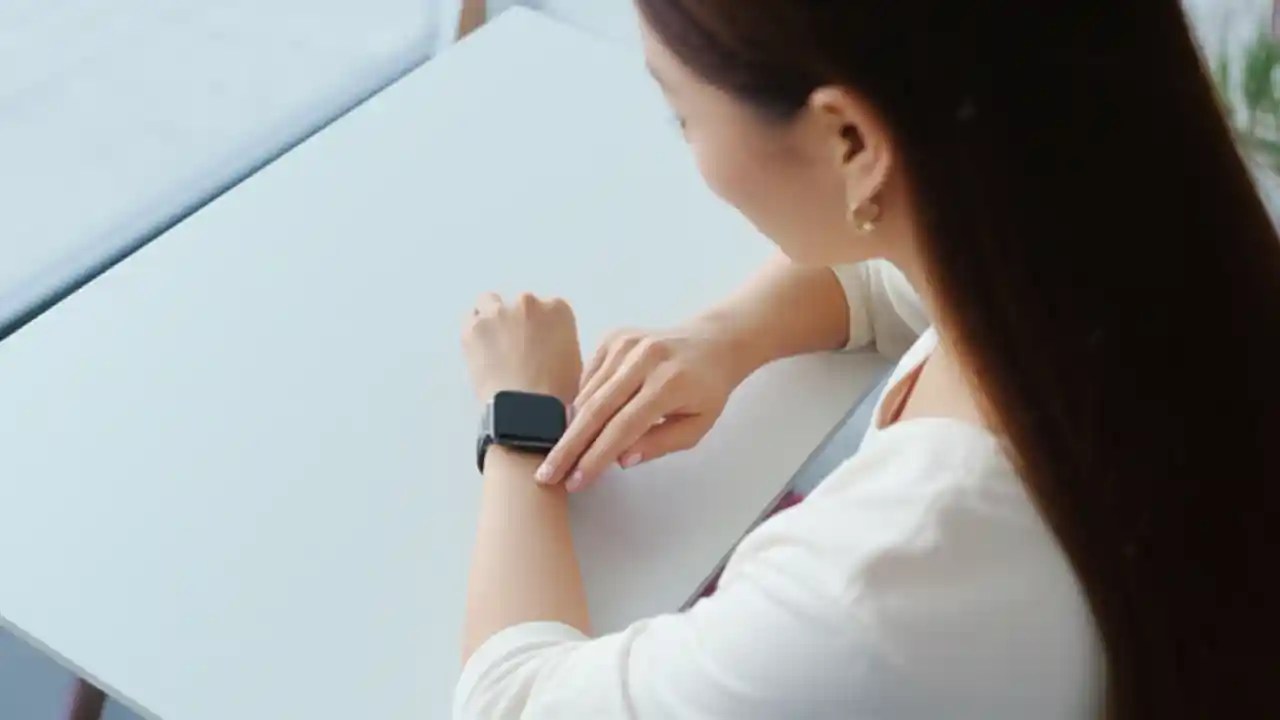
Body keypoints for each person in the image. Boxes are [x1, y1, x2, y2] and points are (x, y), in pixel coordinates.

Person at [456, 2, 1280, 718]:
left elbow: (514, 704)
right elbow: (901, 278)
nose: (689, 151)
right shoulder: (1129, 214)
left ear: (850, 139)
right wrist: (727, 336)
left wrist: (522, 417)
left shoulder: (880, 581)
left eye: (682, 113)